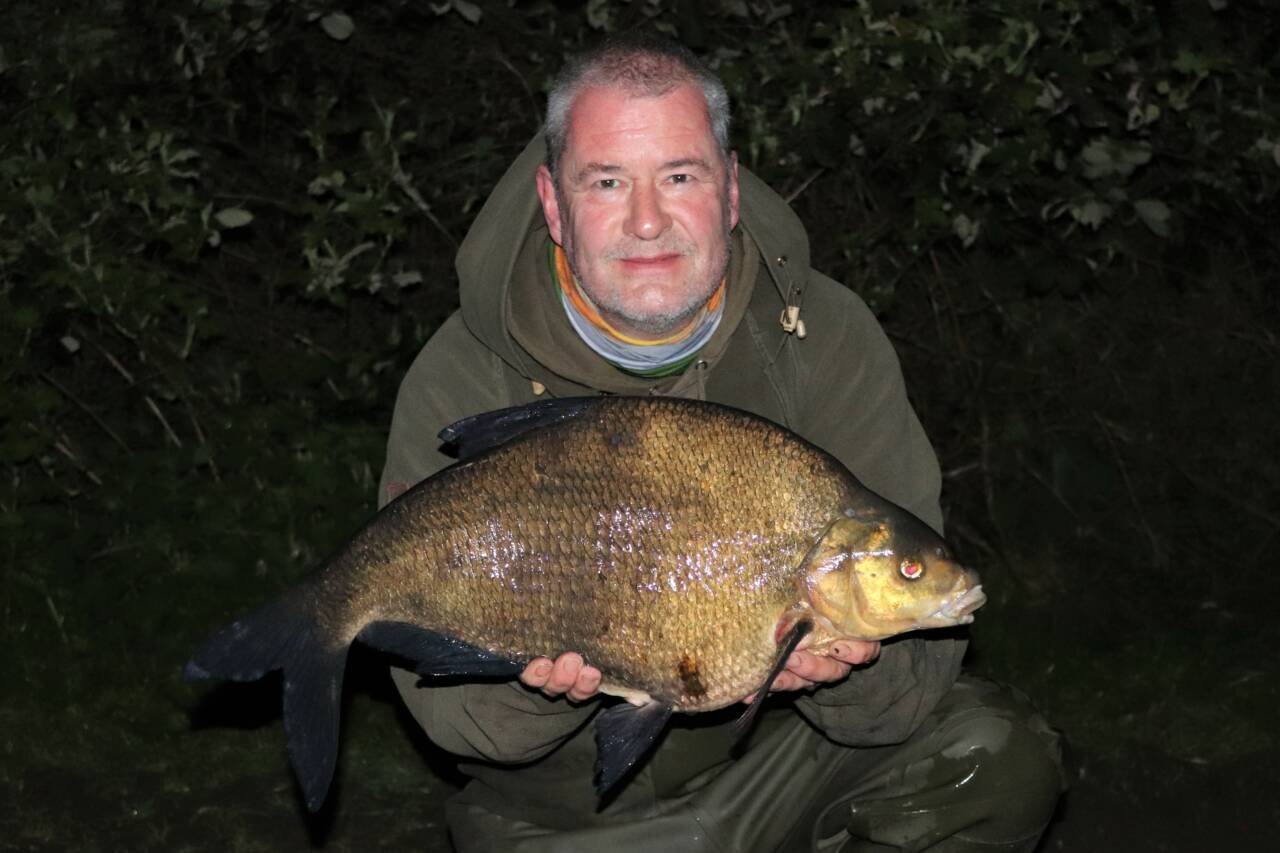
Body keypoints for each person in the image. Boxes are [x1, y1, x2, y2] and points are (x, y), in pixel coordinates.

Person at [379, 34, 1064, 853]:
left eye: (680, 176)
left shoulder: (824, 336)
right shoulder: (462, 372)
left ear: (731, 190)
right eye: (607, 181)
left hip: (783, 768)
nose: (646, 220)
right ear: (554, 205)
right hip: (564, 814)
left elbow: (910, 694)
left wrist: (844, 674)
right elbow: (454, 719)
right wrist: (534, 680)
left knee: (996, 759)